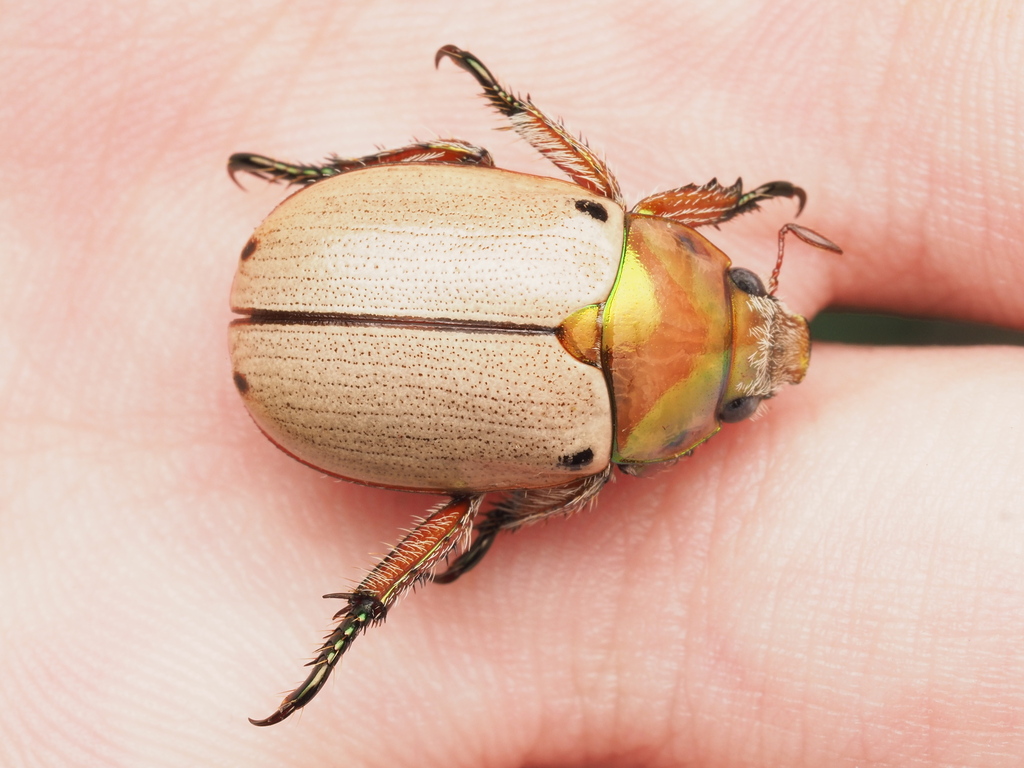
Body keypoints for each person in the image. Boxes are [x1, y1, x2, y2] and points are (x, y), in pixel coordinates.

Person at [2, 4, 1021, 765]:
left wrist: (712, 191)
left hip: (322, 296)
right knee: (477, 504)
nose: (765, 335)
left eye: (743, 383)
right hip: (319, 316)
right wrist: (504, 517)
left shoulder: (615, 229)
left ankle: (365, 605)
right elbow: (540, 497)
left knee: (473, 156)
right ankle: (368, 601)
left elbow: (629, 203)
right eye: (749, 289)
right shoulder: (590, 456)